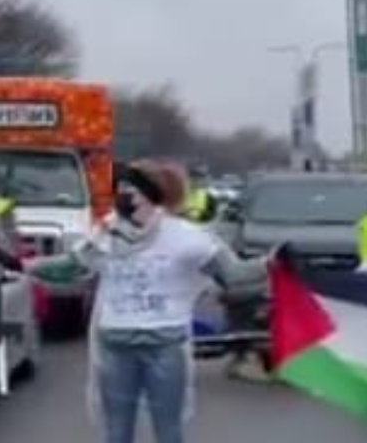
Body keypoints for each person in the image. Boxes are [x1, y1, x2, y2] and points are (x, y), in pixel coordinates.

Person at [69, 160, 269, 443]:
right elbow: (70, 266)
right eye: (120, 191)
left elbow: (233, 274)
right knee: (116, 431)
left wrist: (272, 263)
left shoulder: (188, 238)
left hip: (164, 345)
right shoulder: (105, 234)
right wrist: (19, 264)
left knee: (168, 429)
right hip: (115, 345)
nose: (123, 198)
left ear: (153, 194)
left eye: (130, 190)